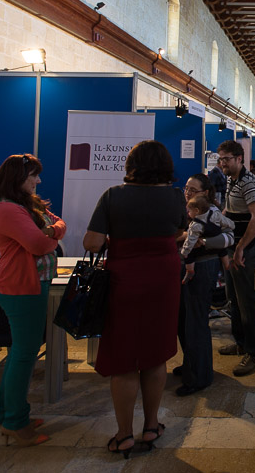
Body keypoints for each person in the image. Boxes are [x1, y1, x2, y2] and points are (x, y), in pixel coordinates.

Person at [83, 141, 186, 458]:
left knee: (124, 359)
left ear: (132, 165)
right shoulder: (174, 197)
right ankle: (152, 425)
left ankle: (124, 434)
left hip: (123, 281)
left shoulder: (113, 196)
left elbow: (92, 242)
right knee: (156, 355)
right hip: (163, 281)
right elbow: (181, 232)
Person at [0, 153, 65, 447]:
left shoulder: (23, 206)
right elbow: (37, 244)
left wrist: (51, 231)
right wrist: (51, 235)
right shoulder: (8, 210)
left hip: (30, 286)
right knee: (24, 355)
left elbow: (58, 223)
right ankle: (16, 423)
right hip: (22, 288)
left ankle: (9, 415)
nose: (38, 180)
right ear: (18, 178)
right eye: (33, 175)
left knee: (20, 354)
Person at [175, 174, 234, 397]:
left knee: (196, 321)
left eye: (193, 190)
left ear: (206, 193)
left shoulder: (211, 213)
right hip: (190, 265)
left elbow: (224, 237)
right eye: (186, 188)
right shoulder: (190, 209)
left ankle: (199, 376)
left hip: (202, 267)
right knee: (185, 319)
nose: (188, 192)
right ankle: (192, 365)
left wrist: (198, 239)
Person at [216, 139, 255, 377]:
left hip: (243, 250)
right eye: (220, 158)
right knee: (233, 297)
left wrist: (240, 248)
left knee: (246, 300)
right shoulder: (231, 180)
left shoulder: (249, 182)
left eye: (226, 159)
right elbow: (230, 209)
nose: (222, 163)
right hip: (231, 246)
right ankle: (241, 342)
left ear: (239, 159)